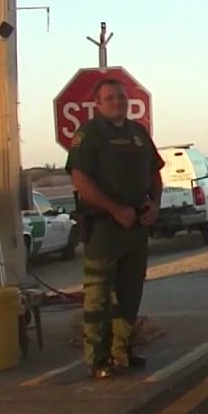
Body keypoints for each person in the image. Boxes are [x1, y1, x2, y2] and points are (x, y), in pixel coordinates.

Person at [66, 78, 164, 379]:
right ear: (98, 104)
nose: (117, 102)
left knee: (131, 291)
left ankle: (123, 350)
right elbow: (80, 180)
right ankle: (98, 358)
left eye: (120, 97)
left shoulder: (138, 133)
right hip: (104, 228)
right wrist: (115, 210)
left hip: (135, 228)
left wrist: (155, 204)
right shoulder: (90, 134)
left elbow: (154, 174)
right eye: (109, 98)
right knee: (99, 294)